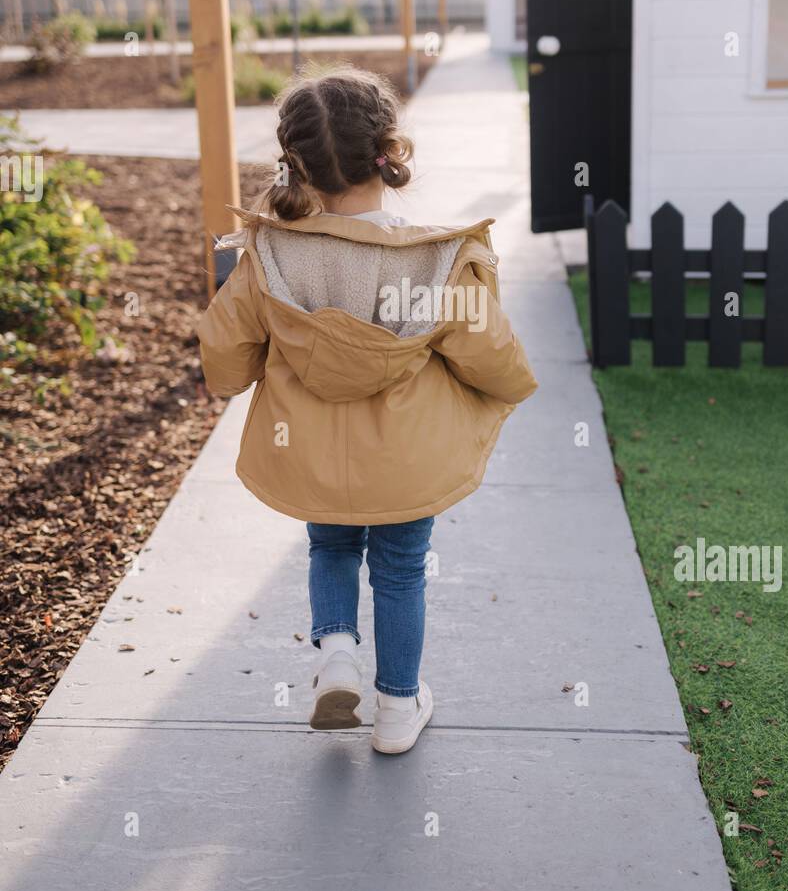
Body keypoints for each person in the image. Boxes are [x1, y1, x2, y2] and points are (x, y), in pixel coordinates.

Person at [197, 67, 536, 754]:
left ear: (295, 162)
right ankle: (397, 711)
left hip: (315, 453)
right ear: (389, 150)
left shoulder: (267, 256)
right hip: (406, 463)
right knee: (403, 572)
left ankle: (337, 656)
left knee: (331, 545)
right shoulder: (437, 261)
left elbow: (225, 359)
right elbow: (490, 351)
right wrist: (508, 387)